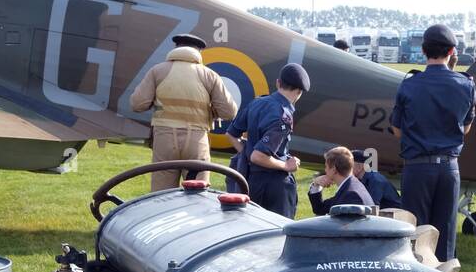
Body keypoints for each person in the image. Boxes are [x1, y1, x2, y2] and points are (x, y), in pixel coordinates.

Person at [389, 23, 476, 260]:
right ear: (451, 52)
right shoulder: (466, 85)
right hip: (449, 167)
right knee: (446, 234)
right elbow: (466, 128)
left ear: (424, 52)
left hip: (418, 167)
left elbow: (396, 130)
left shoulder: (409, 85)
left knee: (415, 231)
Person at [130, 41, 236, 190]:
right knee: (197, 194)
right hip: (196, 140)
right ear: (198, 51)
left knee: (162, 195)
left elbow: (137, 104)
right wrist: (210, 111)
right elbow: (229, 112)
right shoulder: (209, 75)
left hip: (164, 139)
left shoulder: (157, 71)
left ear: (175, 48)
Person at [226, 63, 310, 216]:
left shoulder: (257, 103)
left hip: (249, 180)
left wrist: (246, 152)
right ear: (299, 92)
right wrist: (286, 165)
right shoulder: (284, 116)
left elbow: (231, 134)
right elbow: (258, 156)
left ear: (278, 83)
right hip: (273, 186)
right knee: (278, 234)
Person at [308, 146, 375, 213]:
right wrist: (316, 184)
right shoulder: (351, 185)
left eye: (326, 166)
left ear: (334, 170)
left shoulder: (351, 195)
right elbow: (320, 209)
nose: (325, 170)